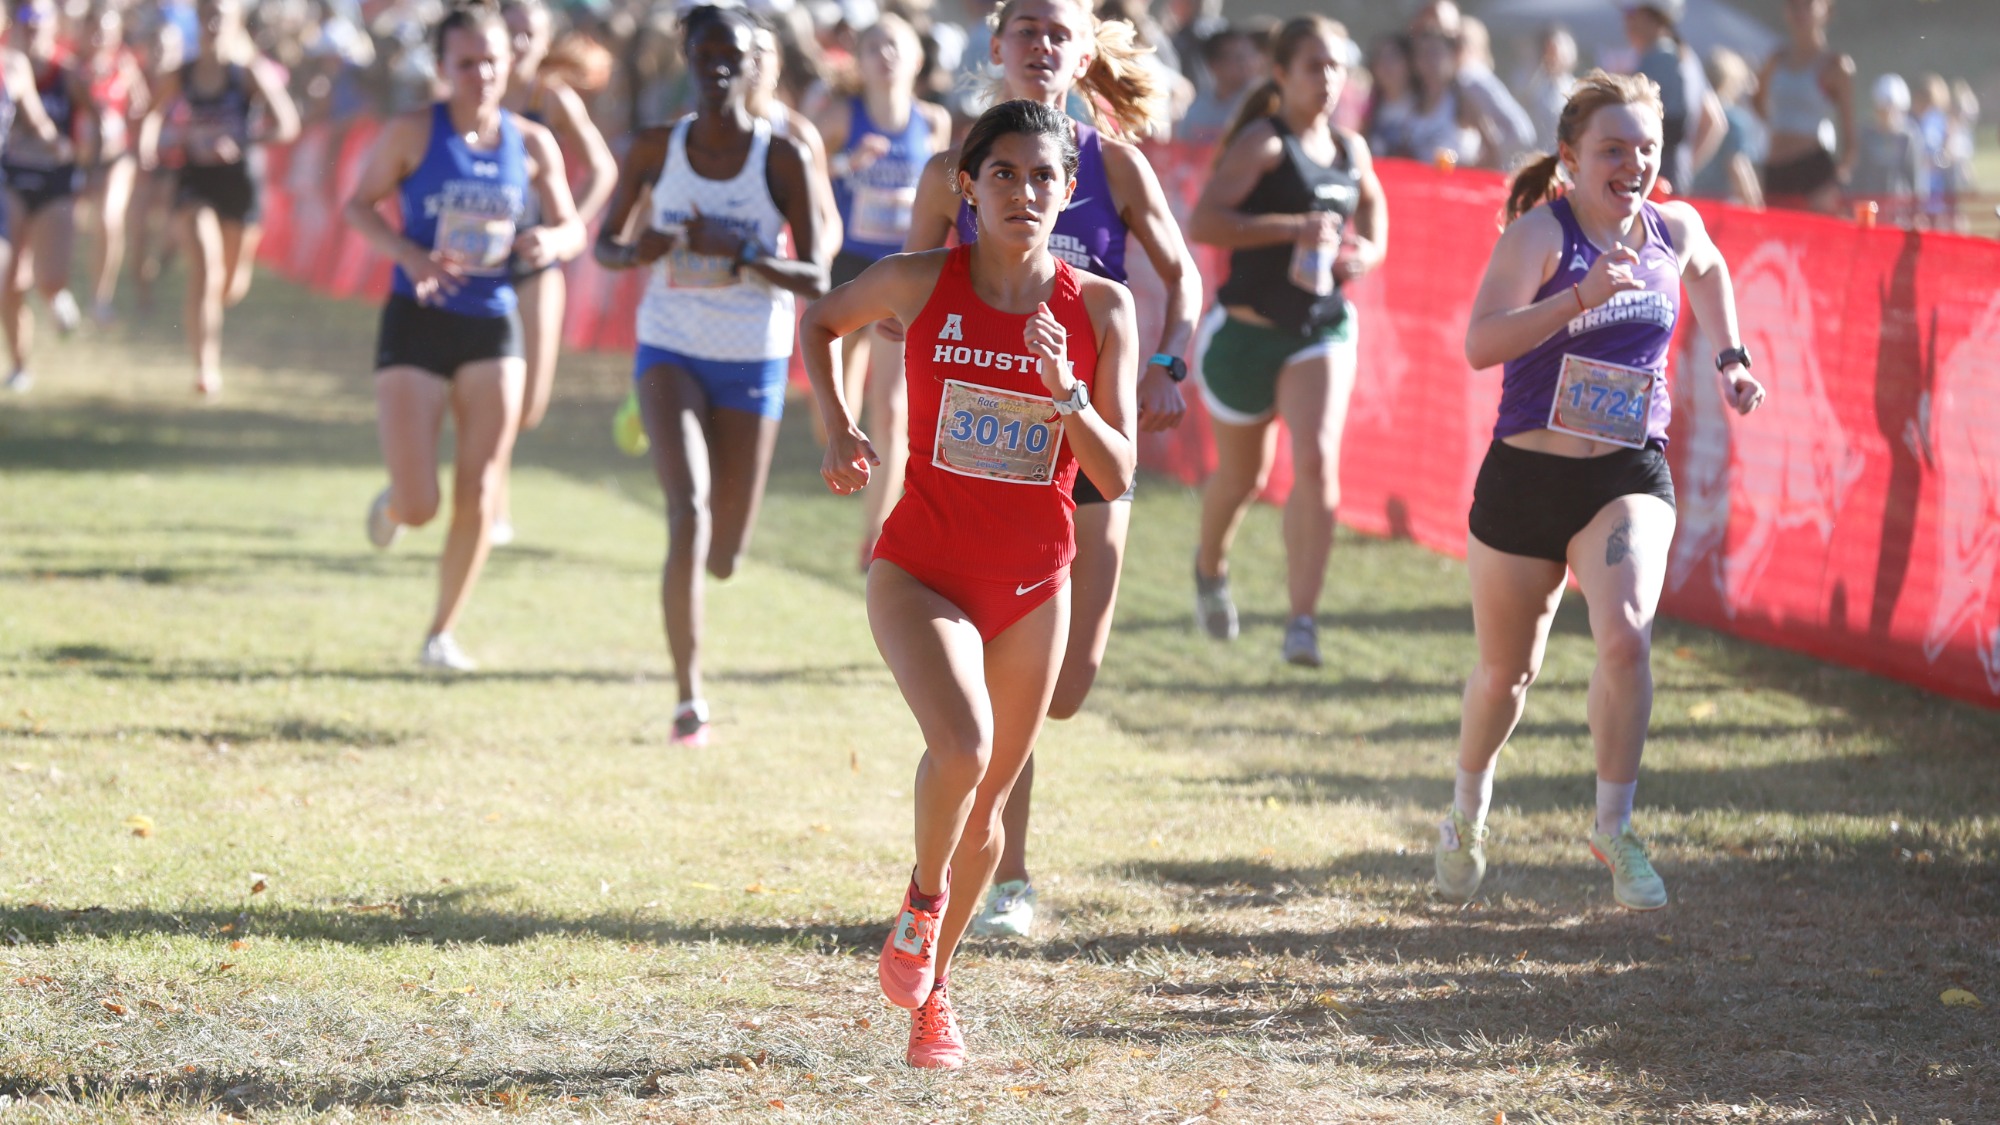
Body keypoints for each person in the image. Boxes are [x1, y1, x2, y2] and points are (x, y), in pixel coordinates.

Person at [802, 97, 1137, 1069]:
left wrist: (1066, 394)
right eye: (1003, 174)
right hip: (921, 569)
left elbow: (1116, 475)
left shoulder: (1100, 308)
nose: (1023, 192)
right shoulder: (919, 280)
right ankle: (923, 892)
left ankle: (933, 993)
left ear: (1067, 193)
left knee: (987, 807)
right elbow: (821, 320)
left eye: (1043, 177)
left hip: (1034, 585)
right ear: (967, 186)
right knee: (963, 744)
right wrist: (836, 427)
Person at [894, 0, 1197, 940]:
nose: (1041, 46)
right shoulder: (959, 163)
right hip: (992, 447)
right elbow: (908, 284)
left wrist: (1168, 362)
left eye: (1059, 32)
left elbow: (1180, 273)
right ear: (997, 45)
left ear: (1082, 50)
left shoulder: (1115, 164)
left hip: (1087, 430)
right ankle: (1004, 873)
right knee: (996, 678)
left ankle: (978, 829)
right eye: (1025, 29)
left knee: (1067, 686)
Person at [1433, 70, 1766, 912]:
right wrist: (1580, 297)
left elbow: (1710, 269)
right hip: (1526, 478)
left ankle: (1614, 826)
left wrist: (1731, 358)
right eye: (1613, 149)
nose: (1634, 164)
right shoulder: (1540, 236)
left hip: (1625, 471)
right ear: (1571, 157)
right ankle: (1467, 809)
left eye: (1646, 148)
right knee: (1507, 673)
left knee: (1626, 638)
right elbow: (1480, 344)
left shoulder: (1671, 227)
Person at [592, 4, 830, 745]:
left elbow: (817, 275)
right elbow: (605, 245)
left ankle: (709, 592)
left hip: (752, 359)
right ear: (687, 58)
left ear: (757, 64)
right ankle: (688, 698)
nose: (720, 65)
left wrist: (744, 251)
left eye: (735, 54)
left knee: (723, 555)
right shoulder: (654, 147)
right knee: (686, 513)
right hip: (670, 350)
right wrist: (639, 248)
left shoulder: (782, 156)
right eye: (706, 52)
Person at [342, 0, 584, 671]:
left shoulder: (531, 143)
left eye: (491, 61)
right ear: (443, 66)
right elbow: (358, 206)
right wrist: (409, 254)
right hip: (418, 319)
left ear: (510, 63)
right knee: (423, 504)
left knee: (479, 490)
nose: (481, 74)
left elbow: (572, 226)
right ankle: (397, 505)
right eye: (466, 62)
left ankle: (441, 633)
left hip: (492, 321)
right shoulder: (413, 132)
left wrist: (552, 240)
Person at [1188, 13, 1385, 667]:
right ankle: (1209, 567)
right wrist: (1291, 228)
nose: (1327, 79)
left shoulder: (1351, 149)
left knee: (1317, 461)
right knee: (1242, 477)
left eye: (1336, 66)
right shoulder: (1265, 144)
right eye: (1313, 66)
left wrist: (1366, 252)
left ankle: (1302, 621)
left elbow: (1373, 208)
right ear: (1281, 73)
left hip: (1318, 328)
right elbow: (1205, 222)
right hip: (1246, 336)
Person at [812, 12, 950, 561]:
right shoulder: (841, 117)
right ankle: (840, 443)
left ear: (916, 59)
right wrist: (846, 163)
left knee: (892, 410)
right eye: (874, 46)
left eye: (896, 46)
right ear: (860, 61)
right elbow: (800, 168)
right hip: (848, 268)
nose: (886, 55)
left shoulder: (933, 122)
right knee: (829, 414)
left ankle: (875, 538)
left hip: (903, 275)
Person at [488, 0, 617, 545]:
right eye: (511, 32)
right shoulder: (475, 91)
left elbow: (604, 168)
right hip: (479, 264)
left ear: (545, 43)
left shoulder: (551, 98)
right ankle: (490, 504)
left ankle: (485, 487)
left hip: (537, 260)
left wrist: (569, 227)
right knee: (492, 395)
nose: (520, 44)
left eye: (530, 34)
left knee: (528, 406)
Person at [138, 0, 300, 397]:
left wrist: (242, 141)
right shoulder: (183, 73)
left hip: (239, 183)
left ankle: (210, 329)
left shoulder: (248, 72)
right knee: (205, 271)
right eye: (205, 16)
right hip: (195, 180)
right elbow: (152, 114)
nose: (211, 24)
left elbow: (287, 125)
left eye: (219, 17)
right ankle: (205, 368)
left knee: (228, 287)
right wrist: (150, 147)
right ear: (196, 20)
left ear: (235, 22)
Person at [1, 0, 95, 392]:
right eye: (26, 17)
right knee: (8, 278)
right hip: (9, 181)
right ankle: (20, 365)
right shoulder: (12, 63)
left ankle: (58, 298)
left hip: (54, 184)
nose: (33, 25)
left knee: (49, 279)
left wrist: (76, 154)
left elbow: (92, 120)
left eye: (40, 18)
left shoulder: (64, 74)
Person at [78, 0, 148, 325]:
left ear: (117, 34)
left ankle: (100, 298)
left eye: (105, 33)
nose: (99, 39)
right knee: (75, 224)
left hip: (118, 158)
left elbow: (142, 108)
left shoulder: (126, 66)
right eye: (93, 31)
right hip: (79, 157)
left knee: (109, 219)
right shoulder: (72, 67)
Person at [1754, 0, 1852, 214]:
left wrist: (1836, 181)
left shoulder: (1835, 65)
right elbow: (1757, 101)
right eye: (1793, 5)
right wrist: (1778, 128)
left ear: (1825, 10)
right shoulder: (1776, 59)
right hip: (1774, 170)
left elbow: (1850, 140)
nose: (1799, 11)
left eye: (1808, 5)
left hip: (1813, 172)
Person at [1617, 0, 1722, 194]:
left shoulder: (1659, 58)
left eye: (1631, 12)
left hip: (1653, 180)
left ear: (1653, 18)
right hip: (1669, 177)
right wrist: (1685, 168)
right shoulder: (1685, 56)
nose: (1626, 20)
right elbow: (1714, 122)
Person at [1687, 47, 1765, 208]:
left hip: (1691, 198)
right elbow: (1737, 165)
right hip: (1719, 206)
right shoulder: (1734, 119)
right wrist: (1754, 204)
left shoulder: (1695, 112)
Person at [1850, 74, 1923, 227]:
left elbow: (1915, 178)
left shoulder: (1908, 138)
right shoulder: (1866, 136)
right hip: (1870, 213)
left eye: (1892, 109)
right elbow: (1857, 175)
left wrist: (1916, 212)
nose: (1887, 115)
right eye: (1883, 109)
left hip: (1899, 214)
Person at [1179, 25, 1263, 147]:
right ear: (1214, 65)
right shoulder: (1199, 105)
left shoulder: (1262, 100)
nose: (1248, 63)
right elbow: (1183, 143)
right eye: (1239, 58)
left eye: (1251, 55)